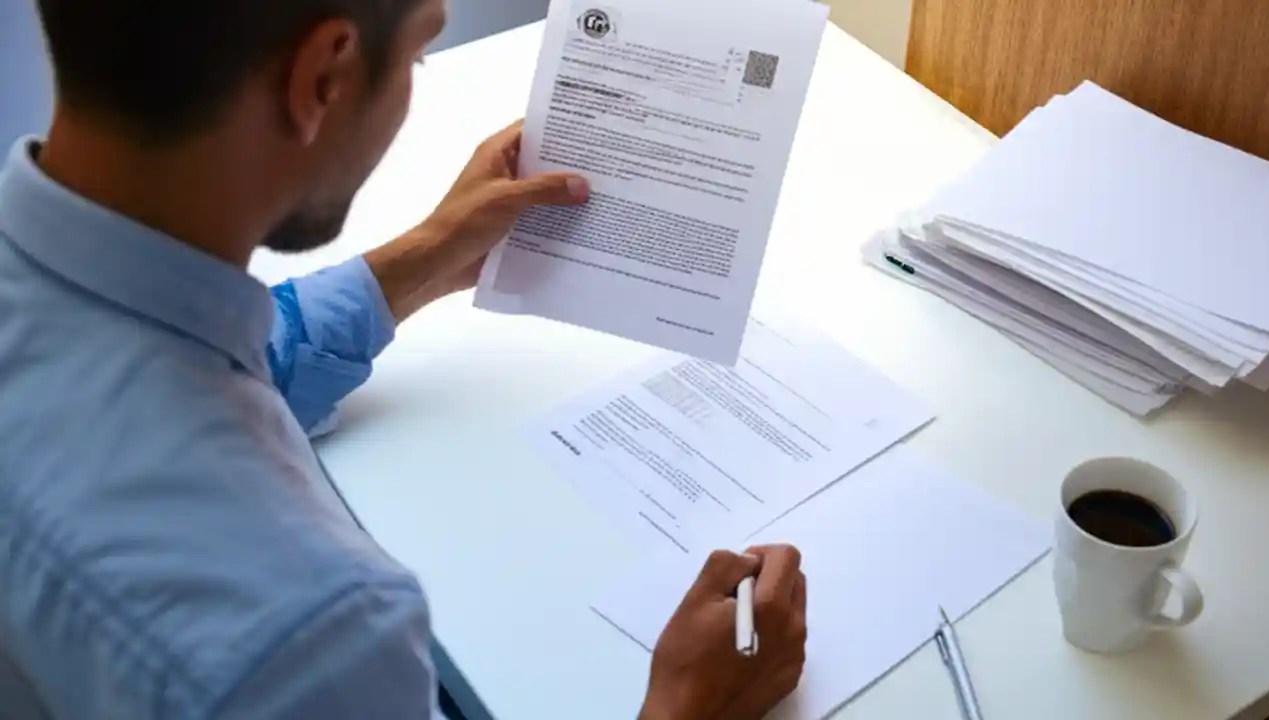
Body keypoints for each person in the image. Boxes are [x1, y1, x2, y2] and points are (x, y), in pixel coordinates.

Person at [0, 1, 808, 718]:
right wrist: (692, 705)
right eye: (421, 53)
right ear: (324, 75)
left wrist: (421, 258)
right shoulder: (312, 644)